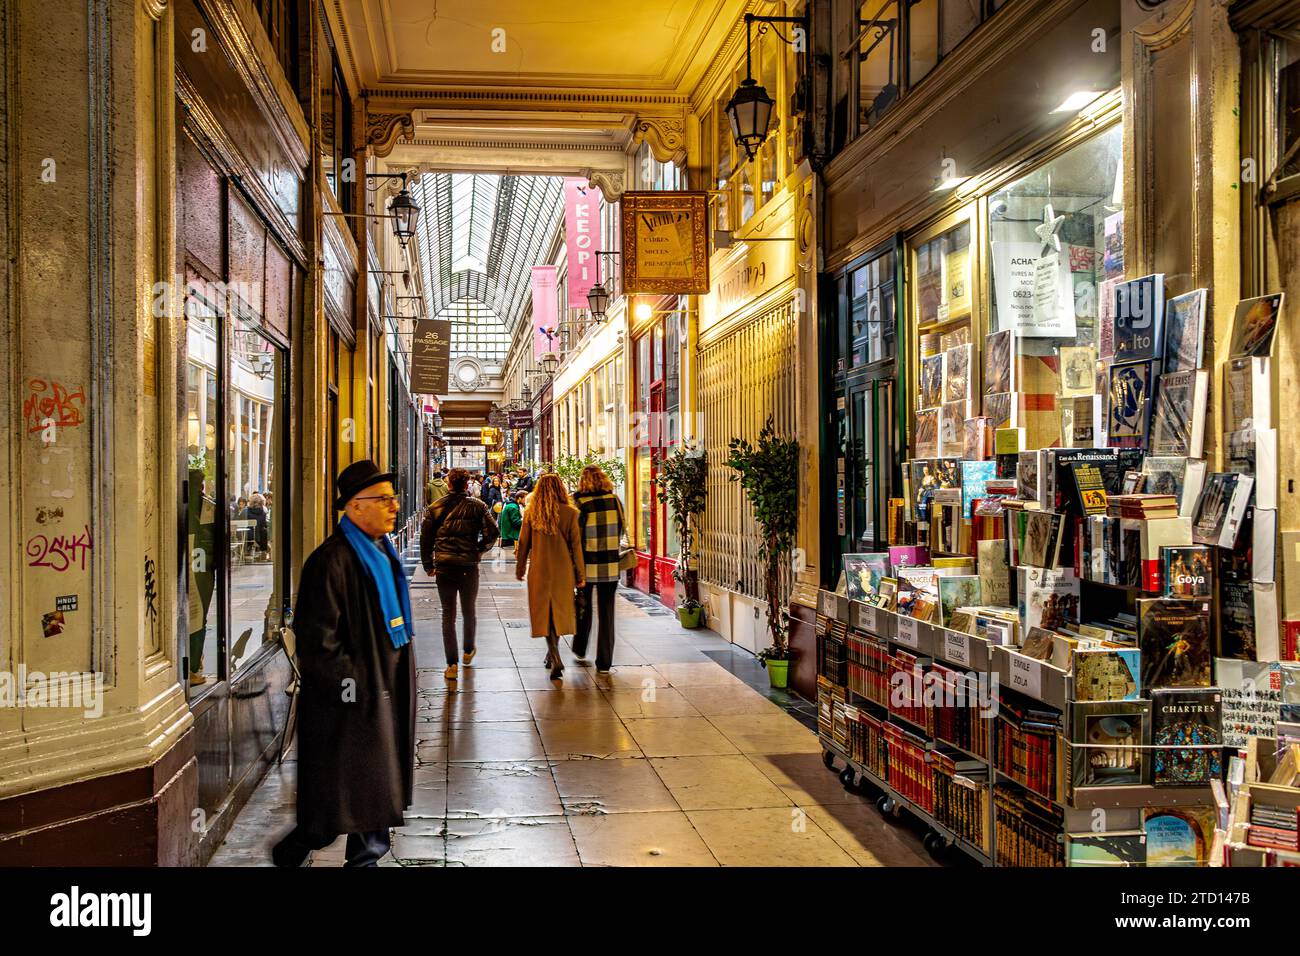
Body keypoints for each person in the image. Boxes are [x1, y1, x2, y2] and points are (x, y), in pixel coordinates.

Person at [272, 459, 415, 868]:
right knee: (365, 789)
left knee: (359, 792)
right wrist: (352, 687)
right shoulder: (332, 561)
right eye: (383, 500)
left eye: (393, 498)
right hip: (356, 700)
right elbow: (318, 642)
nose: (393, 506)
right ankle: (347, 854)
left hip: (382, 688)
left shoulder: (381, 552)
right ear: (355, 507)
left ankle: (300, 847)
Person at [420, 468, 499, 681]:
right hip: (468, 566)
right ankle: (467, 650)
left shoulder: (435, 507)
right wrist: (478, 549)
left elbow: (425, 538)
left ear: (449, 484)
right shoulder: (478, 506)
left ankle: (451, 665)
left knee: (448, 614)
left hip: (444, 567)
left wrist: (429, 565)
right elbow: (493, 533)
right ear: (466, 485)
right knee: (469, 610)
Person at [515, 474, 584, 681]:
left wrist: (520, 569)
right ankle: (552, 654)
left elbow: (523, 543)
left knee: (544, 613)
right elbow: (576, 547)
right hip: (563, 571)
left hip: (540, 570)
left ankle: (554, 655)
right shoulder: (570, 513)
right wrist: (580, 574)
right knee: (559, 612)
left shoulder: (531, 512)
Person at [571, 465, 625, 672]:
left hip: (586, 565)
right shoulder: (615, 501)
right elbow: (621, 529)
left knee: (583, 607)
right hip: (610, 565)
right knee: (607, 612)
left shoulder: (580, 503)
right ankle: (604, 661)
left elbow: (576, 536)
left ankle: (580, 646)